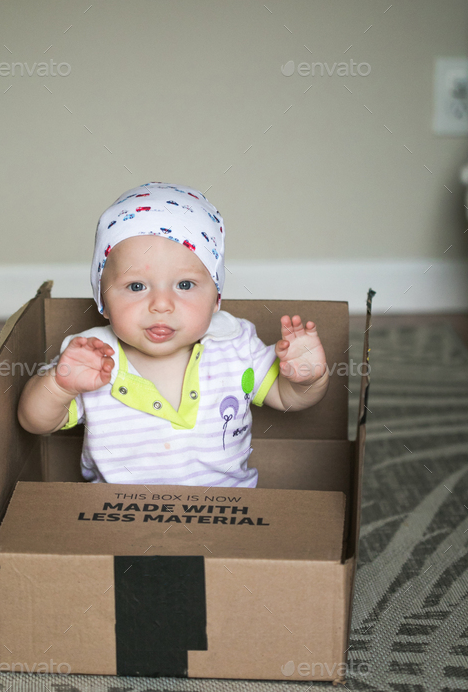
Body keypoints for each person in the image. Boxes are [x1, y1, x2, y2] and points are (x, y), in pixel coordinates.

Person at [17, 182, 329, 487]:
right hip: (117, 519)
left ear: (216, 299)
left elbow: (288, 398)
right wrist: (59, 387)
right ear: (103, 301)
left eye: (185, 285)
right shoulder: (92, 357)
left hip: (226, 515)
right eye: (136, 286)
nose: (162, 305)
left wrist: (307, 378)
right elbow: (35, 422)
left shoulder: (234, 345)